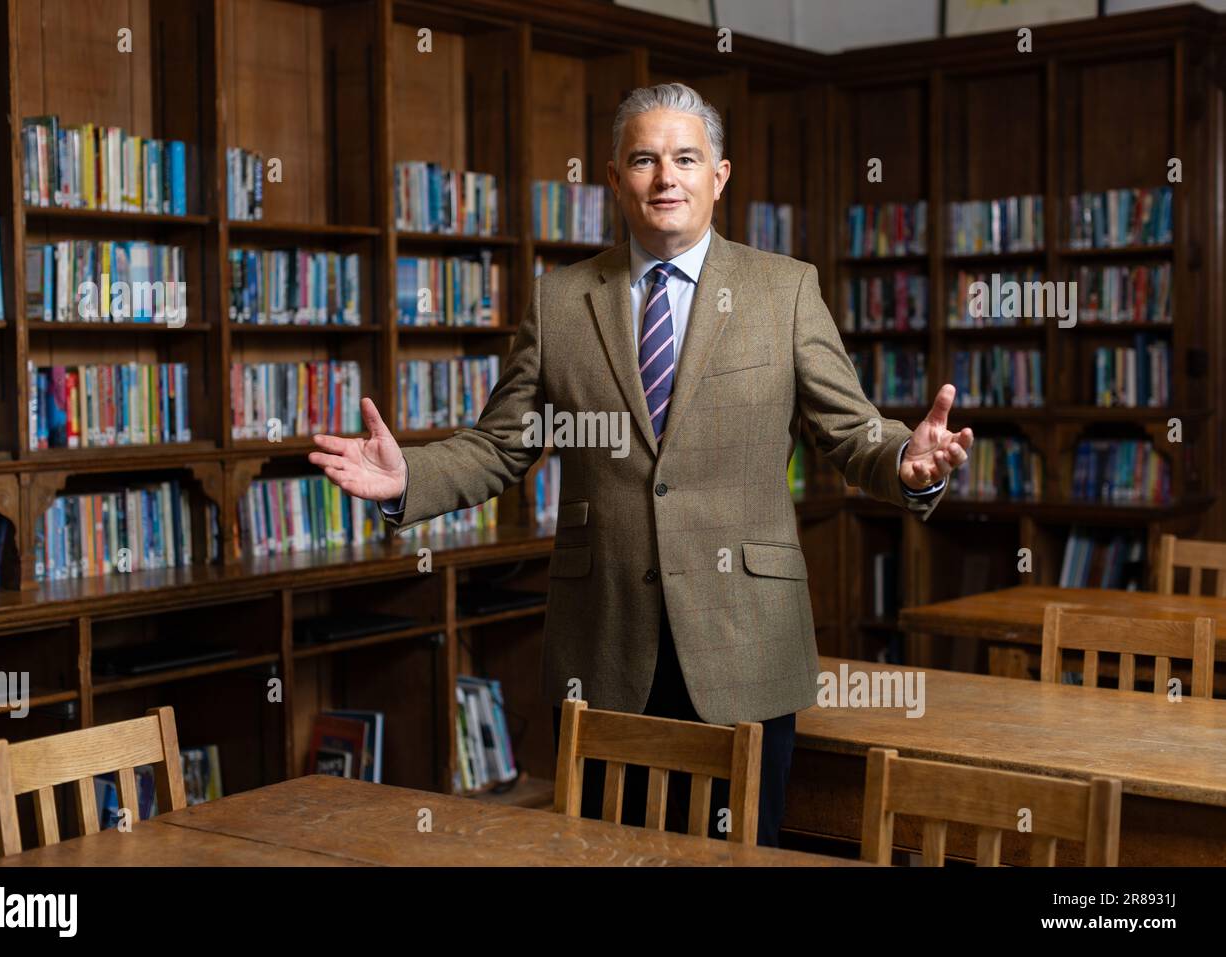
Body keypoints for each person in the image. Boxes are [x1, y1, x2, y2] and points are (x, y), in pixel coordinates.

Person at [310, 82, 973, 848]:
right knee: (605, 854)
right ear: (615, 176)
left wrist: (909, 461)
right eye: (645, 160)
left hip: (743, 639)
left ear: (719, 176)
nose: (667, 178)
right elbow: (501, 445)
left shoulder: (784, 289)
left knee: (741, 856)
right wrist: (408, 480)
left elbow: (852, 433)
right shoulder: (560, 301)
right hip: (606, 643)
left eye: (686, 158)